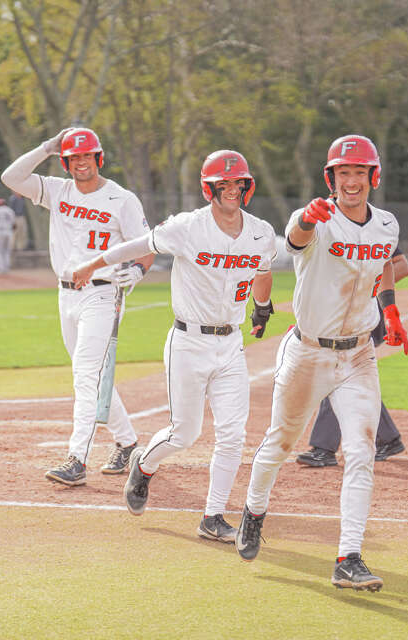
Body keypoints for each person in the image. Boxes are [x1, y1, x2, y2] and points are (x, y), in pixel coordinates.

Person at [72, 149, 276, 543]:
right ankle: (144, 467)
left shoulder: (261, 232)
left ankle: (213, 515)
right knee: (184, 433)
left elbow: (263, 272)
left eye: (238, 183)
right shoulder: (187, 227)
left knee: (233, 435)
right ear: (209, 188)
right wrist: (92, 265)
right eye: (224, 184)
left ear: (247, 187)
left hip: (230, 344)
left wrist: (262, 307)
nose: (232, 190)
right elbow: (138, 245)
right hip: (188, 342)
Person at [235, 134, 408, 592]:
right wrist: (308, 220)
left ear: (374, 177)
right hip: (309, 352)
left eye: (359, 173)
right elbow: (296, 238)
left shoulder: (386, 223)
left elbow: (386, 262)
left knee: (361, 449)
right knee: (280, 442)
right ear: (330, 179)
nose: (351, 182)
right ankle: (253, 511)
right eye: (342, 174)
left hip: (358, 354)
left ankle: (348, 556)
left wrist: (390, 311)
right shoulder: (315, 217)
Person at [1, 127, 154, 486]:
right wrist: (47, 148)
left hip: (102, 294)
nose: (81, 163)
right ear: (66, 162)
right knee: (93, 375)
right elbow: (11, 177)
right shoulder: (57, 190)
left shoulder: (122, 199)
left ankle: (77, 459)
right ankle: (129, 443)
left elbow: (147, 247)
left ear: (98, 158)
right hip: (65, 293)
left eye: (87, 156)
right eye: (73, 158)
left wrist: (137, 271)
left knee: (85, 375)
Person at [295, 249, 408, 467]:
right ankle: (388, 438)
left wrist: (366, 284)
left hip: (364, 314)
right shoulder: (330, 232)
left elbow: (402, 266)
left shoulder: (374, 228)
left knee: (337, 373)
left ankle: (324, 448)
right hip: (337, 314)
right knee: (351, 377)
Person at [0, 198, 16, 274]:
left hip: (0, 232)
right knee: (7, 250)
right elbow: (14, 224)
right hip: (9, 232)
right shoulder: (10, 210)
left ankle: (1, 268)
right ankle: (7, 268)